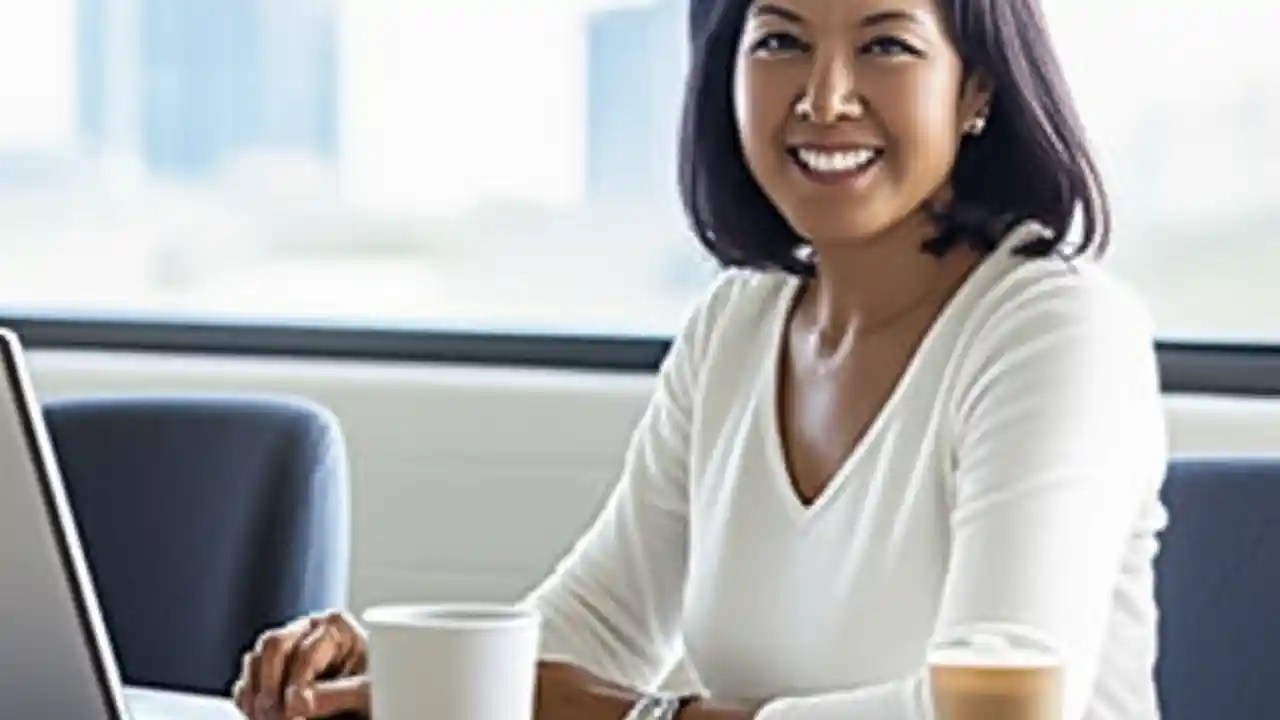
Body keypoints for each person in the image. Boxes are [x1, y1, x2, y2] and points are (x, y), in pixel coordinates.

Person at [232, 0, 1167, 718]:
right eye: (779, 41)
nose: (825, 96)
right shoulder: (739, 323)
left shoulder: (1055, 334)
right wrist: (397, 672)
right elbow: (600, 623)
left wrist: (641, 717)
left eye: (885, 44)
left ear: (977, 90)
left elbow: (1000, 708)